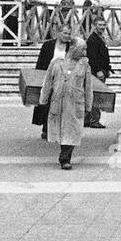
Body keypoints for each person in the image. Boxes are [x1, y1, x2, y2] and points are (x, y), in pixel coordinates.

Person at [39, 39, 94, 170]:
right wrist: (43, 99)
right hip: (58, 103)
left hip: (75, 104)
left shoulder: (85, 66)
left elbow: (88, 87)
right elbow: (47, 83)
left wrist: (88, 106)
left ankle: (65, 158)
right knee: (62, 131)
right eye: (82, 49)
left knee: (73, 131)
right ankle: (64, 155)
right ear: (73, 47)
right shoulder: (56, 63)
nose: (85, 53)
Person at [33, 25, 75, 141]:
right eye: (65, 33)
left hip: (64, 80)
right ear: (58, 33)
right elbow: (41, 62)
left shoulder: (71, 47)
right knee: (47, 104)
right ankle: (46, 129)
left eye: (69, 34)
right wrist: (37, 78)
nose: (67, 36)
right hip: (48, 78)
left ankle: (59, 129)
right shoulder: (48, 46)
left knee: (62, 106)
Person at [84, 19, 113, 130]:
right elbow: (92, 57)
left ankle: (87, 119)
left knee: (93, 94)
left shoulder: (100, 38)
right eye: (99, 25)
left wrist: (107, 68)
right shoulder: (93, 39)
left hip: (102, 69)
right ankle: (94, 120)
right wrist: (98, 70)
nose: (102, 27)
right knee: (96, 95)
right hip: (96, 71)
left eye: (104, 24)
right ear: (94, 26)